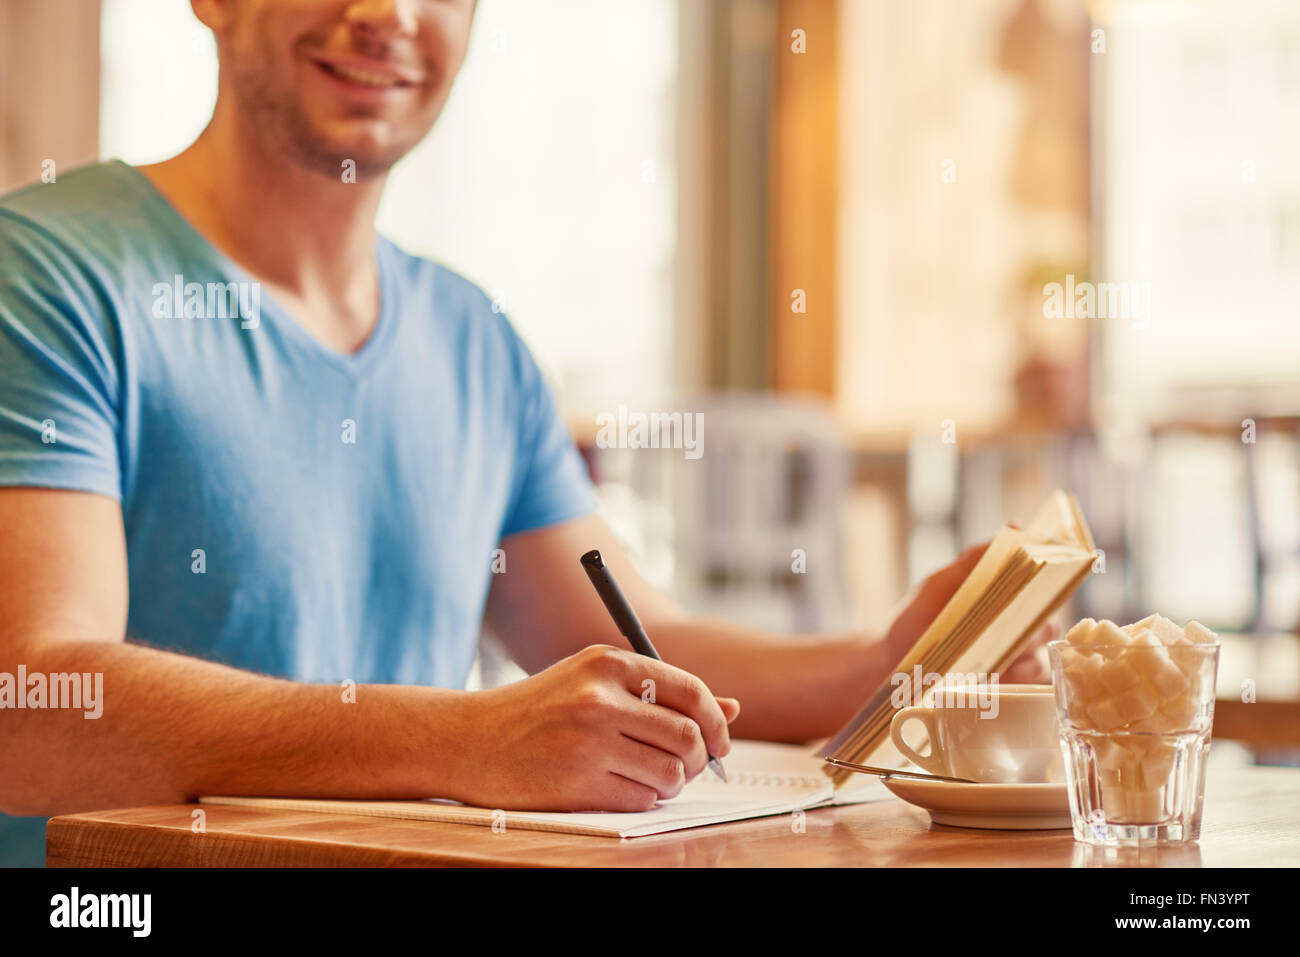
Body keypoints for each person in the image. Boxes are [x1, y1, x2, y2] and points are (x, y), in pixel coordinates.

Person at [0, 0, 1049, 866]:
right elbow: (30, 707)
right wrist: (468, 737)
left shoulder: (471, 335)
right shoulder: (42, 276)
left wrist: (879, 664)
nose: (385, 17)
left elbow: (635, 640)